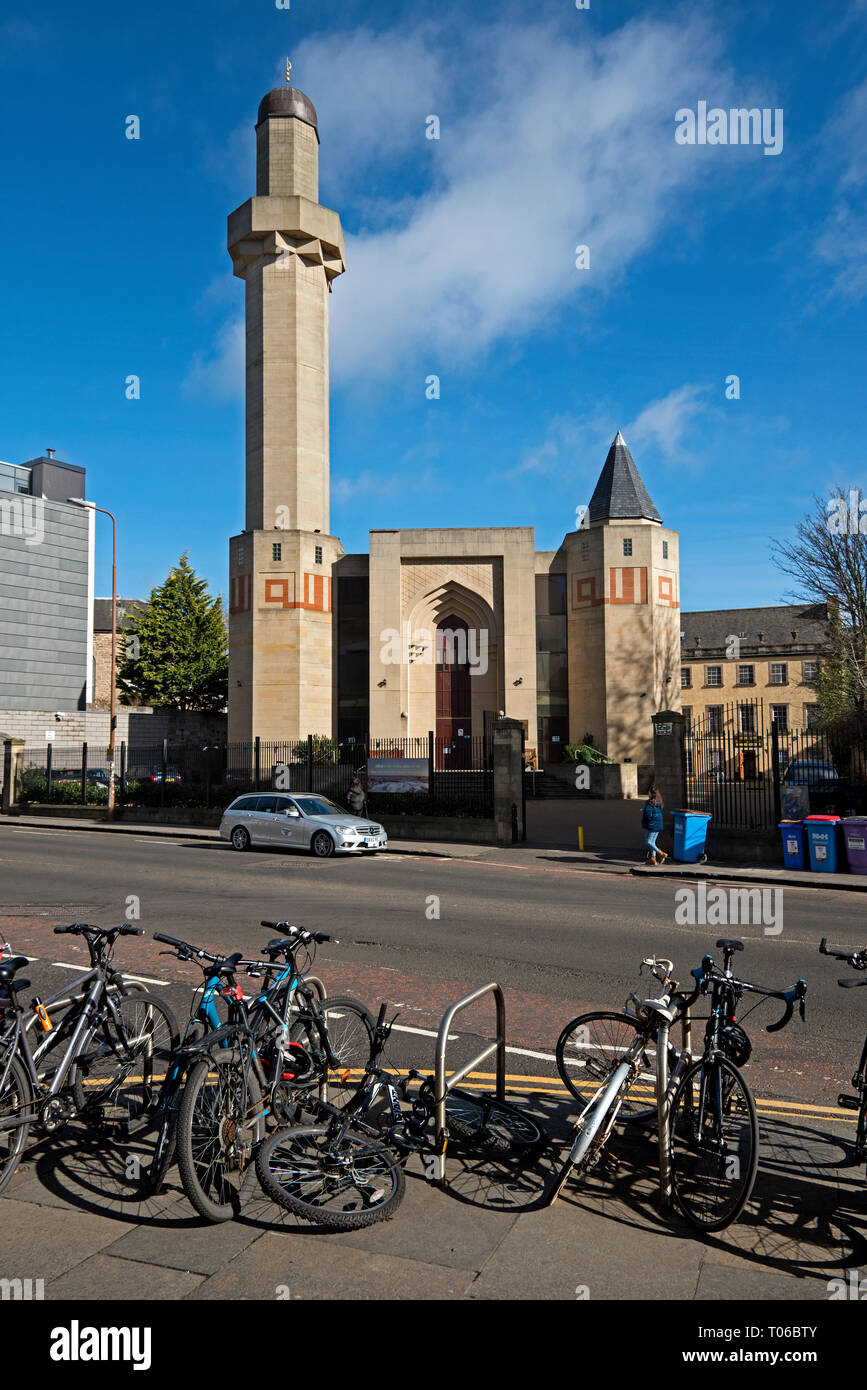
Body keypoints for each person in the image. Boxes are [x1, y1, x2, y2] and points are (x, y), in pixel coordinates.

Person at [641, 786, 667, 865]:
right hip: (658, 824)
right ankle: (653, 859)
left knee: (648, 842)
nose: (647, 793)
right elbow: (654, 812)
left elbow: (648, 815)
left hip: (652, 825)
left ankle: (661, 854)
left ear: (651, 793)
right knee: (652, 842)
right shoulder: (658, 802)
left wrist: (644, 814)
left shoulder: (649, 802)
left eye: (648, 792)